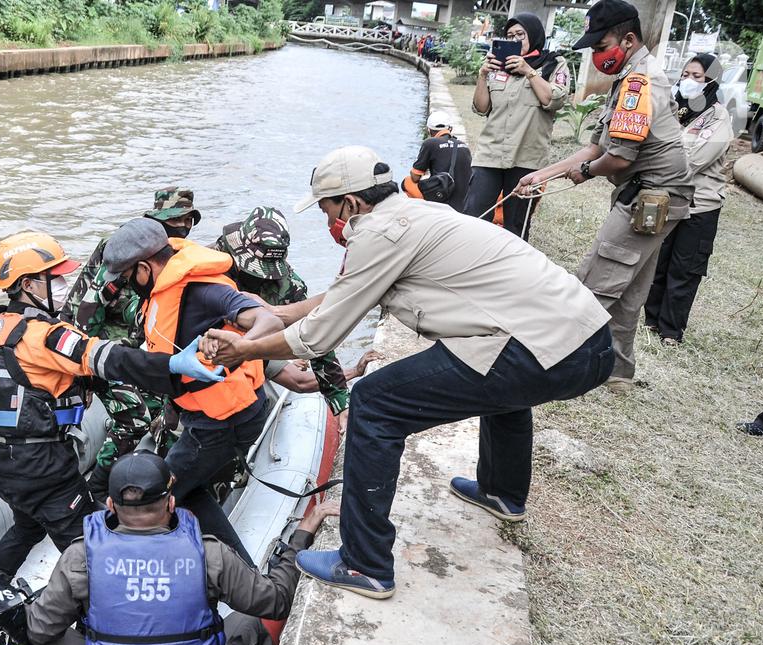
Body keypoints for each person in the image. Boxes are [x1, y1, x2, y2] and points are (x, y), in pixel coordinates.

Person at [202, 146, 613, 599]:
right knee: (501, 382)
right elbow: (344, 294)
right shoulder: (415, 215)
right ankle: (502, 492)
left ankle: (364, 563)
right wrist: (276, 313)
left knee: (375, 404)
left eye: (327, 210)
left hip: (543, 351)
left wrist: (247, 349)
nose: (328, 223)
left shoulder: (378, 233)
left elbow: (317, 337)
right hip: (585, 340)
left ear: (352, 204)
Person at [0, 230, 226, 577]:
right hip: (42, 468)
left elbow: (28, 381)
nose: (65, 284)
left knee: (28, 526)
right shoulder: (46, 334)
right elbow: (108, 357)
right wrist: (169, 365)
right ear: (30, 285)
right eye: (56, 278)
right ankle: (100, 615)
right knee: (90, 546)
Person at [26, 451, 341, 645]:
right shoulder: (210, 554)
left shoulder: (78, 558)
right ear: (171, 502)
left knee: (50, 639)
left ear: (110, 505)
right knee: (252, 624)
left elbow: (38, 629)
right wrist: (301, 536)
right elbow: (277, 600)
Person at [515, 0, 692, 393]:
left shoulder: (638, 83)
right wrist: (542, 174)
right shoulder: (629, 77)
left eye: (600, 46)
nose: (596, 56)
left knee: (595, 280)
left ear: (628, 40)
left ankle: (549, 361)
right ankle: (617, 374)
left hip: (651, 198)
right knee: (629, 292)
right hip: (659, 197)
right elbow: (596, 147)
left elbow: (615, 158)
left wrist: (581, 174)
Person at [102, 218, 285, 566]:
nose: (127, 287)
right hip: (203, 417)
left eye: (127, 278)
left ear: (144, 267)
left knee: (160, 491)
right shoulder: (164, 291)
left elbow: (268, 322)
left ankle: (242, 573)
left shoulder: (202, 290)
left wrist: (241, 346)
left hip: (222, 424)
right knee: (187, 487)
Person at [210, 205, 378, 413]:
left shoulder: (288, 286)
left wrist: (340, 403)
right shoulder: (213, 260)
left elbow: (316, 338)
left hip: (253, 343)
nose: (261, 276)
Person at [60, 224, 173, 503]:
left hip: (126, 352)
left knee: (159, 400)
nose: (183, 228)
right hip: (96, 355)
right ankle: (98, 485)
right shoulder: (117, 266)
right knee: (134, 416)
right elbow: (84, 325)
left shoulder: (168, 269)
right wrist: (85, 380)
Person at [644, 53, 734, 346]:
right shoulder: (674, 110)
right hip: (668, 198)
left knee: (685, 268)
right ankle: (651, 320)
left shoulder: (718, 116)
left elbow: (693, 160)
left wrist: (657, 158)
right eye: (685, 75)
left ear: (711, 81)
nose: (688, 81)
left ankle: (670, 330)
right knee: (659, 260)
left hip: (700, 205)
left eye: (697, 77)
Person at [463, 12, 571, 241]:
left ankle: (511, 272)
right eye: (510, 36)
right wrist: (482, 75)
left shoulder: (553, 64)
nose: (515, 40)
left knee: (516, 224)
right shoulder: (497, 66)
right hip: (490, 154)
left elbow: (554, 100)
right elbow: (481, 108)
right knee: (473, 217)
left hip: (527, 159)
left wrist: (528, 72)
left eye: (520, 35)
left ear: (533, 35)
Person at [404, 110, 472, 211]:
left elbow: (415, 177)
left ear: (429, 130)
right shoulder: (464, 146)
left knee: (407, 182)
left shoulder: (430, 143)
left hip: (442, 200)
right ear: (450, 129)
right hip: (463, 204)